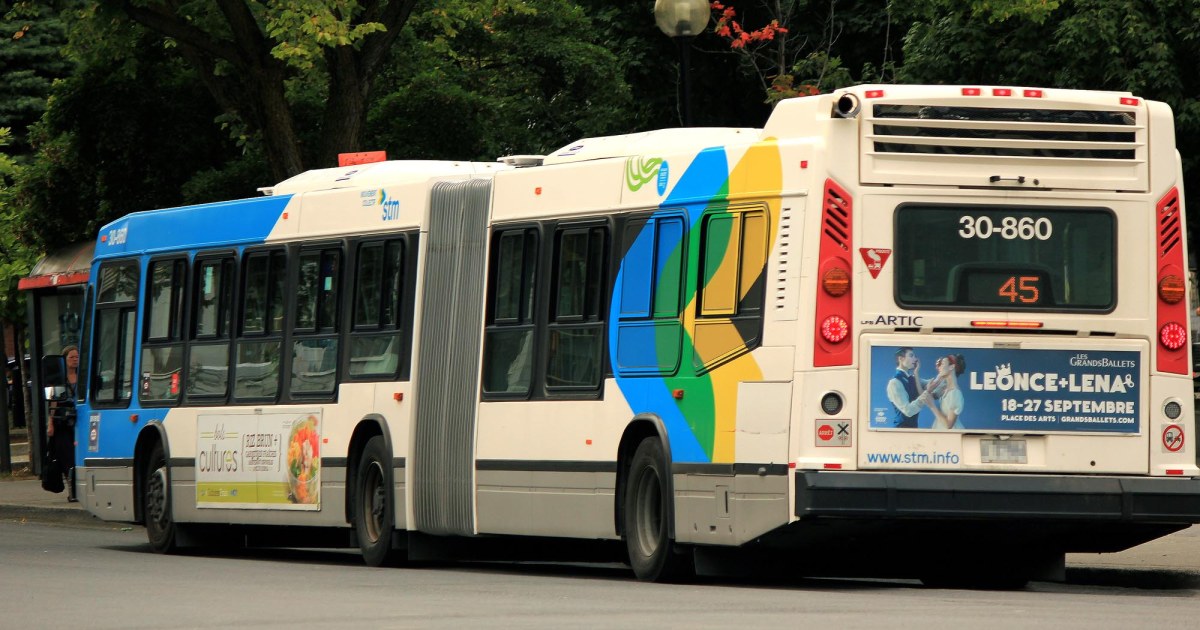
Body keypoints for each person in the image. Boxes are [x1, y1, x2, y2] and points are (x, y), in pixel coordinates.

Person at [46, 346, 79, 502]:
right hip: (63, 422)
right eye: (71, 357)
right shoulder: (59, 379)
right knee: (67, 457)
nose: (75, 360)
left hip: (79, 420)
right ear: (64, 360)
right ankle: (72, 491)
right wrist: (50, 422)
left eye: (77, 357)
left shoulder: (84, 377)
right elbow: (53, 401)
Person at [886, 347, 931, 428]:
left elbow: (931, 383)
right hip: (900, 431)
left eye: (915, 356)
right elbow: (908, 411)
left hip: (913, 429)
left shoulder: (913, 379)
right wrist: (926, 393)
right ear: (901, 359)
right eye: (911, 356)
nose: (915, 359)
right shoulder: (894, 383)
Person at [925, 353, 966, 430]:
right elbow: (926, 398)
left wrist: (932, 406)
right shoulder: (945, 388)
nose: (939, 367)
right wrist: (930, 389)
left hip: (950, 436)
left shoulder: (955, 394)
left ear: (951, 367)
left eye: (943, 364)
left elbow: (948, 425)